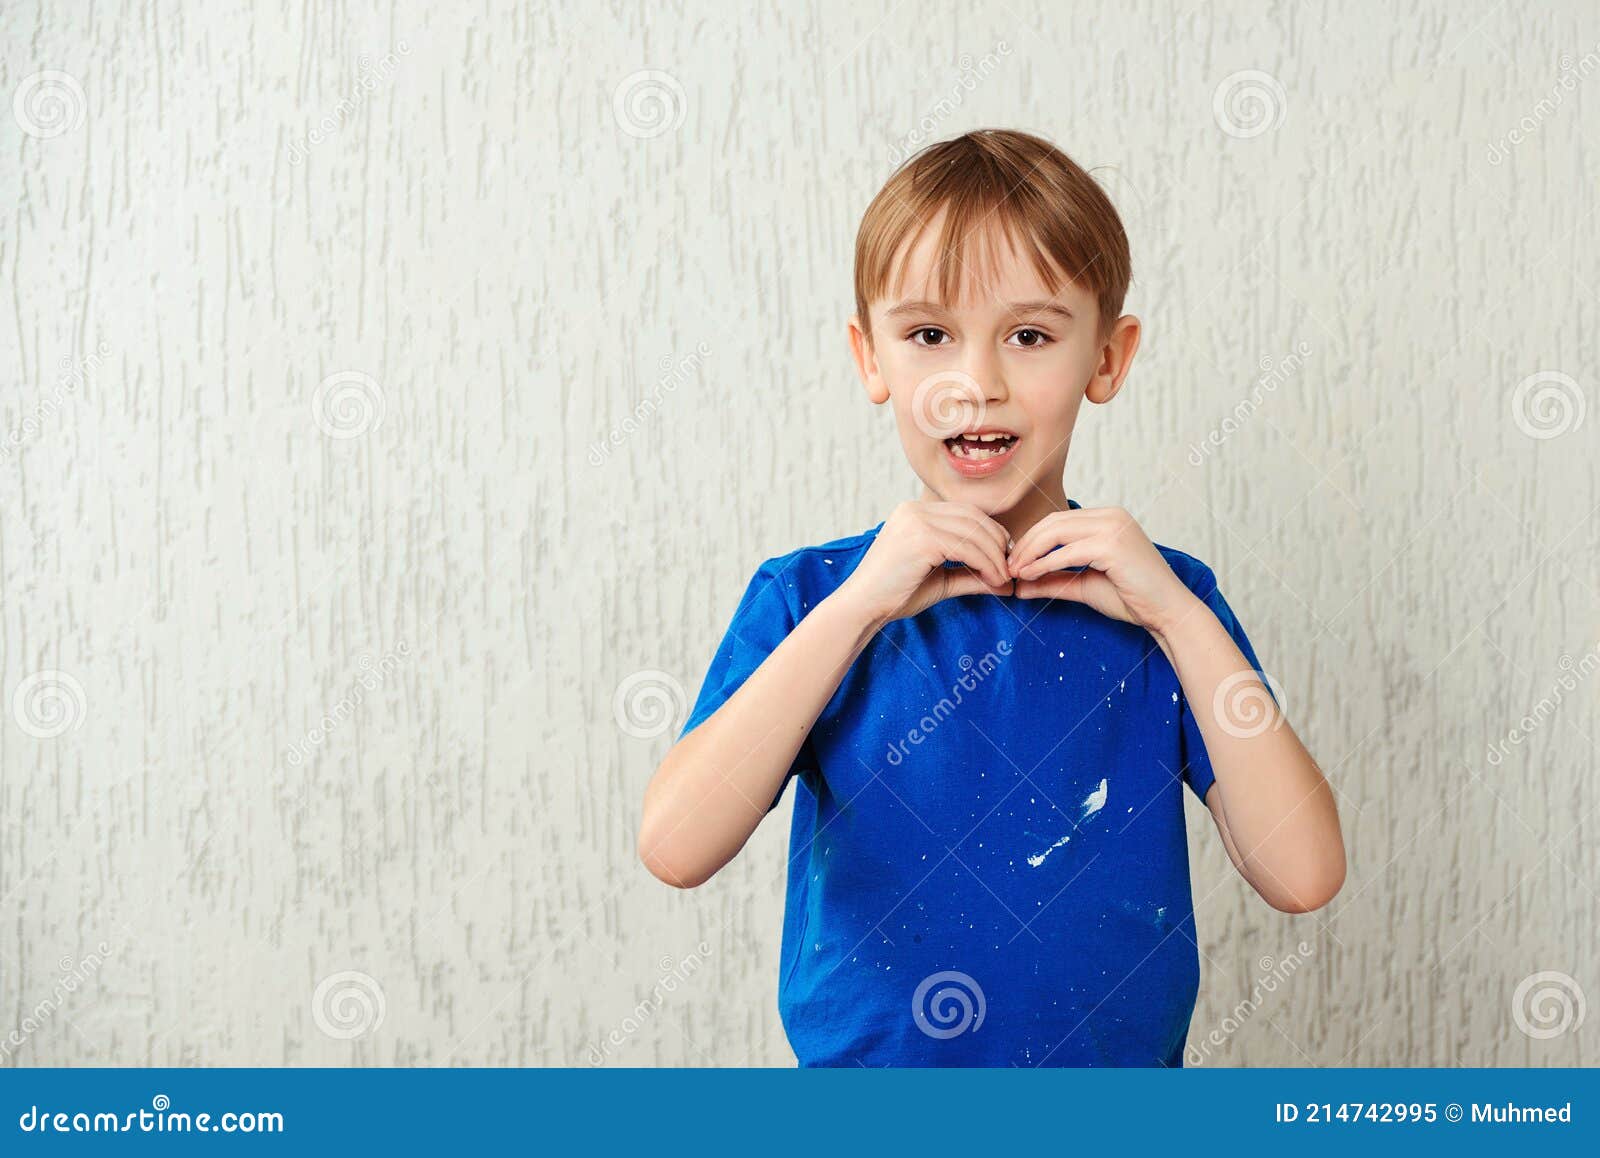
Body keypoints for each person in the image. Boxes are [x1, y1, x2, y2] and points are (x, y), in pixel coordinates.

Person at [638, 128, 1345, 1067]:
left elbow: (1303, 874)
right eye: (930, 336)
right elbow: (677, 849)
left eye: (1030, 335)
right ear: (871, 359)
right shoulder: (810, 596)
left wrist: (1179, 618)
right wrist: (854, 612)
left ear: (1108, 358)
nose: (978, 383)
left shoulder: (1169, 607)